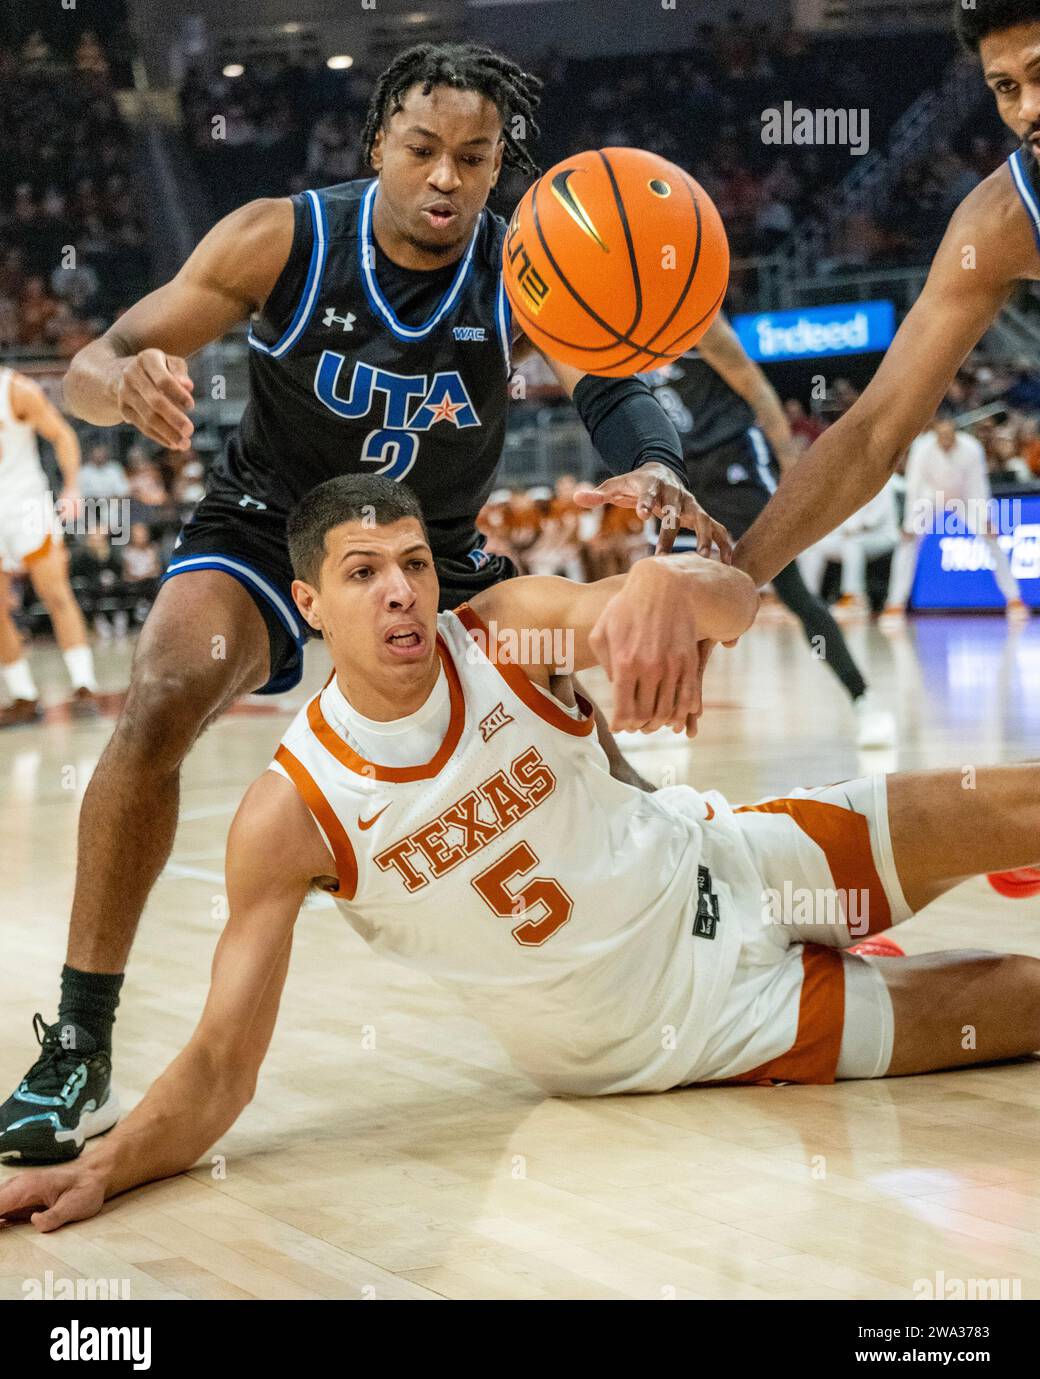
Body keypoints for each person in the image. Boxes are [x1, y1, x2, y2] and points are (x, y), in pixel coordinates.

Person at [0, 41, 723, 1163]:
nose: (446, 177)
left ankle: (703, 891)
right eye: (423, 148)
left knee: (575, 726)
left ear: (497, 168)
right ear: (378, 140)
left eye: (473, 158)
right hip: (270, 523)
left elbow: (611, 385)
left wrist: (656, 463)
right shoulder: (283, 237)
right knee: (163, 694)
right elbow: (105, 352)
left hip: (430, 548)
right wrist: (120, 383)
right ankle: (80, 1039)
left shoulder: (520, 263)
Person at [4, 473, 1040, 1220]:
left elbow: (732, 607)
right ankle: (867, 959)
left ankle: (883, 911)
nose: (401, 590)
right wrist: (107, 1168)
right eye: (363, 573)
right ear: (308, 605)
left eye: (414, 563)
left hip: (730, 863)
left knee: (1017, 801)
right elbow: (223, 1066)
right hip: (693, 1030)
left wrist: (671, 583)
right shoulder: (296, 813)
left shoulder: (506, 635)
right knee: (1024, 998)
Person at [730, 0, 1040, 896]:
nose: (1026, 109)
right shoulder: (1001, 220)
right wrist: (740, 577)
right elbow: (871, 433)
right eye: (1005, 88)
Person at [640, 312, 896, 747]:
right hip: (677, 470)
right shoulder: (617, 336)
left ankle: (863, 699)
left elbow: (753, 384)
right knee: (660, 595)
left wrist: (789, 458)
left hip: (733, 458)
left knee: (793, 591)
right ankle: (663, 717)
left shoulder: (694, 318)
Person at [0, 366, 99, 726]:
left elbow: (62, 434)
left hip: (26, 506)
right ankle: (23, 696)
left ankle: (84, 685)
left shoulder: (15, 390)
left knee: (55, 594)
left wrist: (72, 487)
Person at [882, 417, 1027, 622]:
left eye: (949, 435)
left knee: (991, 538)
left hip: (963, 496)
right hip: (931, 496)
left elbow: (978, 486)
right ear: (935, 434)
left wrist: (985, 519)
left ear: (956, 433)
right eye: (941, 435)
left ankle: (1014, 599)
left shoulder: (971, 448)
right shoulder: (922, 448)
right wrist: (909, 522)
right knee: (908, 542)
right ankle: (895, 604)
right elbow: (914, 485)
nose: (945, 439)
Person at [798, 478, 901, 615]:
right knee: (814, 547)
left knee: (852, 544)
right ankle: (808, 598)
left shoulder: (881, 481)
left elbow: (872, 520)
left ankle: (853, 598)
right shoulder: (845, 483)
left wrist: (849, 529)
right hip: (847, 538)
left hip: (882, 537)